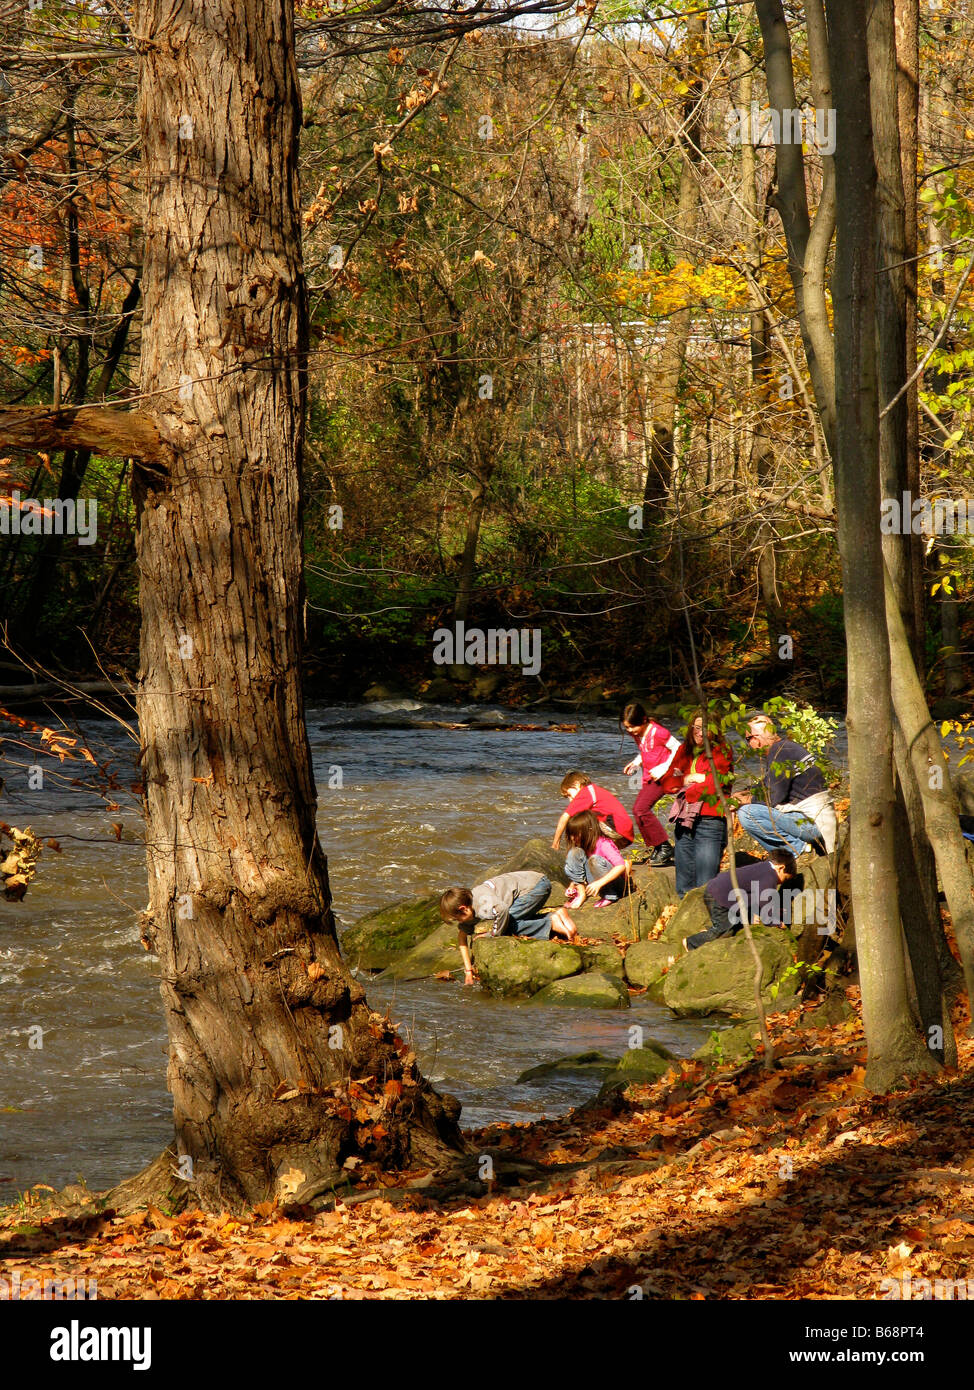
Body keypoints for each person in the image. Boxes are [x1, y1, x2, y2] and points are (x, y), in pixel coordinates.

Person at [439, 872, 577, 985]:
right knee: (507, 922)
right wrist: (468, 971)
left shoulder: (483, 905)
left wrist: (493, 934)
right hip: (534, 884)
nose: (459, 923)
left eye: (458, 919)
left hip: (536, 888)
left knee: (507, 926)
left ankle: (550, 922)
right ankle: (558, 915)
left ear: (463, 908)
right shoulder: (470, 904)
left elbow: (503, 910)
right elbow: (462, 937)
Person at [736, 713, 837, 856]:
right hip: (817, 819)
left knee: (747, 814)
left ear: (756, 739)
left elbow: (774, 796)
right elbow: (768, 784)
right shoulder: (785, 748)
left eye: (748, 739)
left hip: (814, 824)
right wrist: (746, 792)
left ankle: (795, 851)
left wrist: (745, 801)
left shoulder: (779, 752)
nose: (748, 745)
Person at [659, 711, 734, 898]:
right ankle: (685, 924)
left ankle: (710, 923)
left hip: (710, 819)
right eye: (697, 727)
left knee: (706, 884)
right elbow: (667, 784)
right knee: (684, 885)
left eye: (706, 729)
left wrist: (684, 783)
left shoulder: (721, 750)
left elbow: (714, 786)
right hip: (684, 819)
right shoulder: (684, 750)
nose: (701, 733)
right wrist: (691, 778)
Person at [684, 850, 798, 951]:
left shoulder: (763, 868)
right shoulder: (770, 876)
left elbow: (756, 897)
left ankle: (709, 932)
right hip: (719, 896)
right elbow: (764, 900)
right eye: (785, 878)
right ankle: (691, 943)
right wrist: (774, 922)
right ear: (781, 867)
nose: (781, 883)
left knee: (730, 924)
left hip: (720, 893)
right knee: (723, 931)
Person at [620, 701, 680, 867]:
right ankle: (659, 846)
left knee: (641, 809)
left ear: (644, 720)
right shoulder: (638, 733)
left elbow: (678, 749)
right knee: (638, 811)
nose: (630, 731)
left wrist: (663, 768)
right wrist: (636, 762)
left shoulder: (659, 732)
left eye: (632, 727)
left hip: (664, 776)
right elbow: (645, 750)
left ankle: (665, 847)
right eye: (627, 728)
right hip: (650, 775)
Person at [551, 771, 634, 853]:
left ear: (577, 784)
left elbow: (565, 817)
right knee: (582, 820)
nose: (570, 800)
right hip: (626, 834)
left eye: (569, 795)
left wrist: (555, 843)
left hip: (617, 830)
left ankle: (579, 857)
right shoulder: (594, 790)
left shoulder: (585, 792)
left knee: (579, 824)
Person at [563, 810, 633, 907]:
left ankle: (610, 895)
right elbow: (579, 869)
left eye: (575, 834)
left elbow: (620, 866)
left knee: (594, 860)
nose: (572, 838)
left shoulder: (604, 844)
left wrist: (599, 883)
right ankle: (580, 892)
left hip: (615, 884)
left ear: (588, 831)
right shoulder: (582, 847)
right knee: (573, 853)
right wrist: (573, 885)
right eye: (570, 834)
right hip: (597, 882)